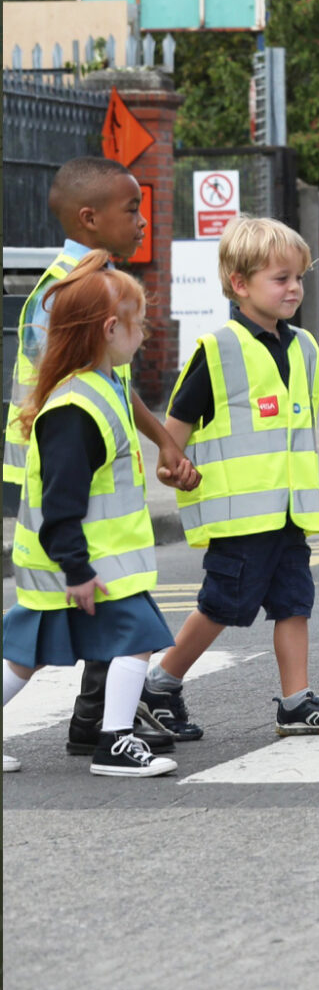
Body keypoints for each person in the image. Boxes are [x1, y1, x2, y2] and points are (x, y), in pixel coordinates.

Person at [148, 217, 319, 740]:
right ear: (239, 283)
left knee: (295, 603)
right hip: (240, 517)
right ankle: (160, 683)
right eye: (281, 278)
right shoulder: (218, 351)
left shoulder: (301, 346)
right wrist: (171, 467)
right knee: (221, 606)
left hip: (289, 512)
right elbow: (172, 432)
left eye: (299, 277)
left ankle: (296, 703)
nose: (294, 288)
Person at [4, 156, 200, 761]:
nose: (144, 220)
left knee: (82, 624)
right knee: (92, 615)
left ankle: (103, 724)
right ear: (90, 218)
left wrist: (163, 439)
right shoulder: (71, 290)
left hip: (83, 479)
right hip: (62, 480)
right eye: (132, 209)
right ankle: (107, 729)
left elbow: (113, 385)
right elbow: (71, 389)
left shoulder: (101, 278)